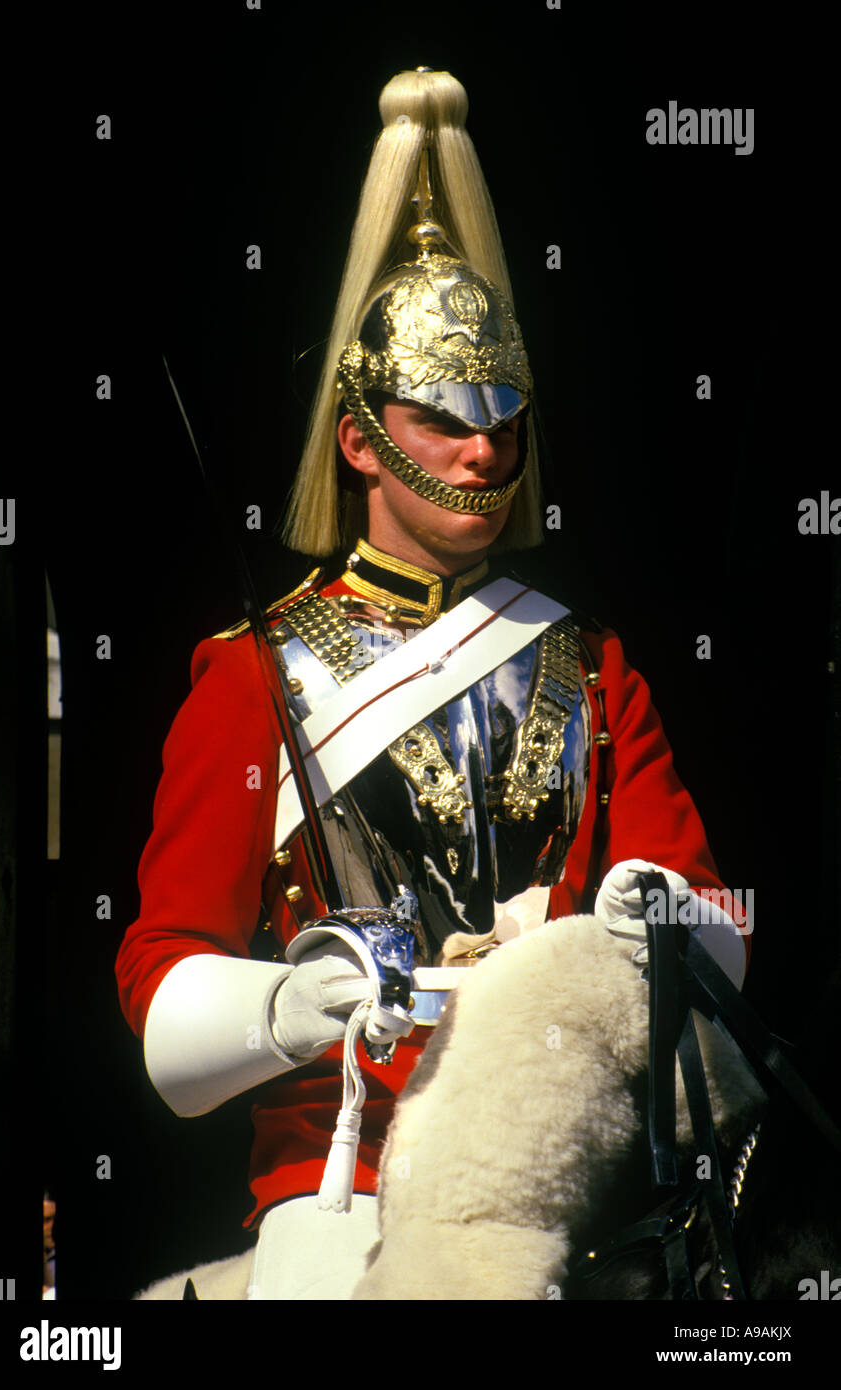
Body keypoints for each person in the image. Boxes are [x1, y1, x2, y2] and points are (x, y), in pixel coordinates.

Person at [116, 68, 748, 1299]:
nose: (485, 450)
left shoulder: (589, 658)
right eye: (448, 416)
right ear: (359, 438)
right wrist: (302, 1000)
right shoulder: (256, 671)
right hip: (336, 1178)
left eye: (504, 419)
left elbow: (720, 932)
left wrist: (630, 915)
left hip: (566, 1170)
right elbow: (162, 986)